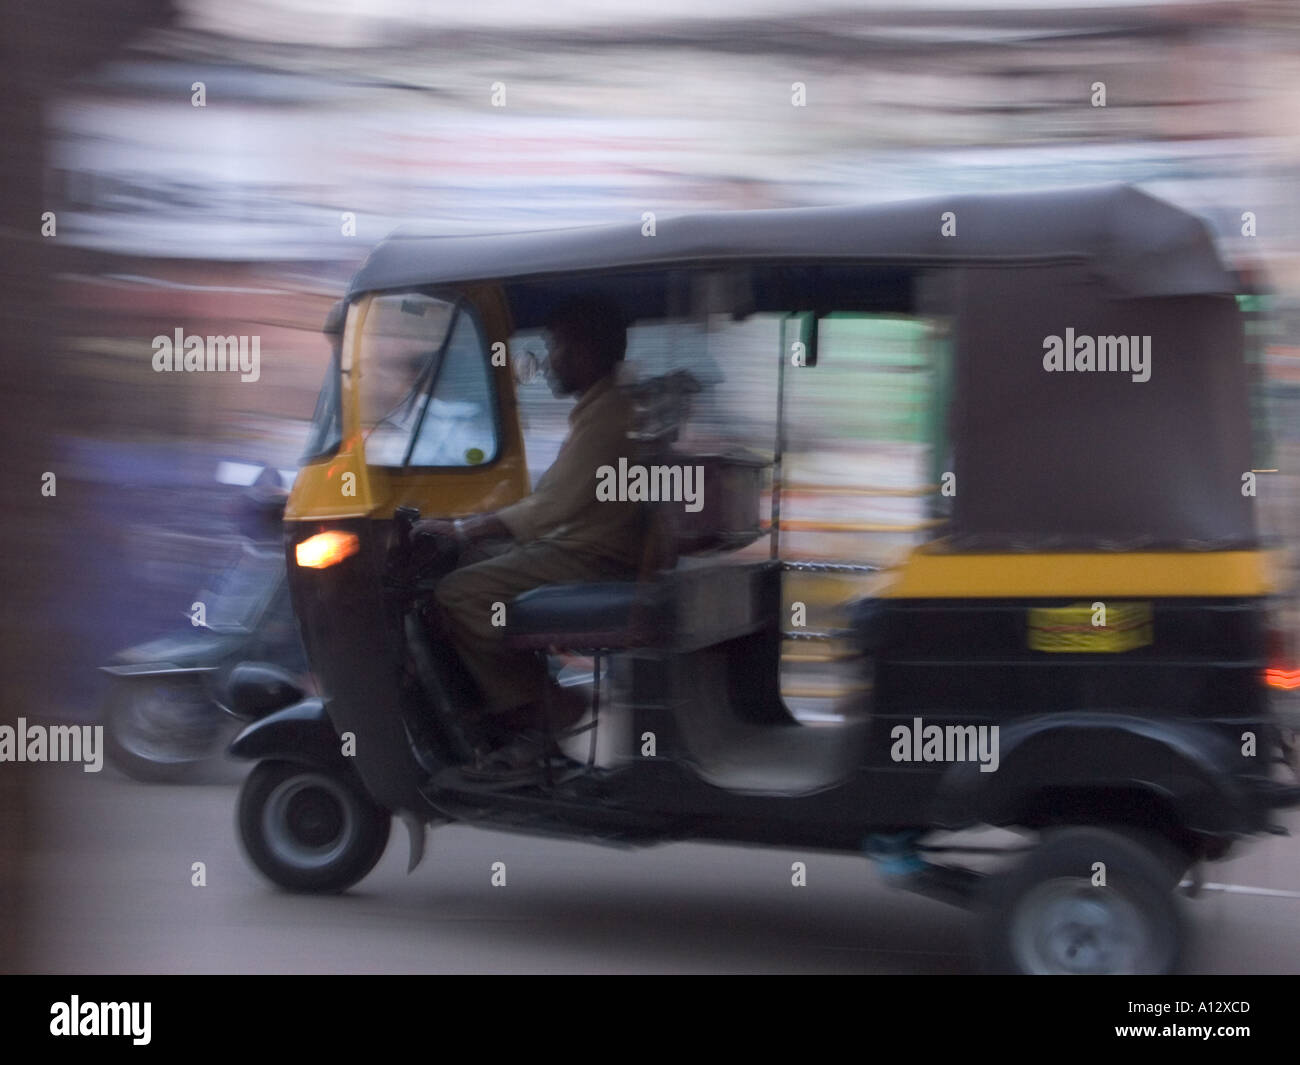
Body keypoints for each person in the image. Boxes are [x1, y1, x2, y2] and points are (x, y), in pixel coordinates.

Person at [415, 294, 647, 782]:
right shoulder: (605, 410)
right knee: (474, 559)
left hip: (593, 558)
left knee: (459, 594)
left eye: (557, 345)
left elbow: (551, 507)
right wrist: (475, 531)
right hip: (587, 546)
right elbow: (556, 503)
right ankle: (519, 705)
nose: (548, 362)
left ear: (587, 349)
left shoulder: (608, 420)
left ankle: (538, 714)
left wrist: (462, 529)